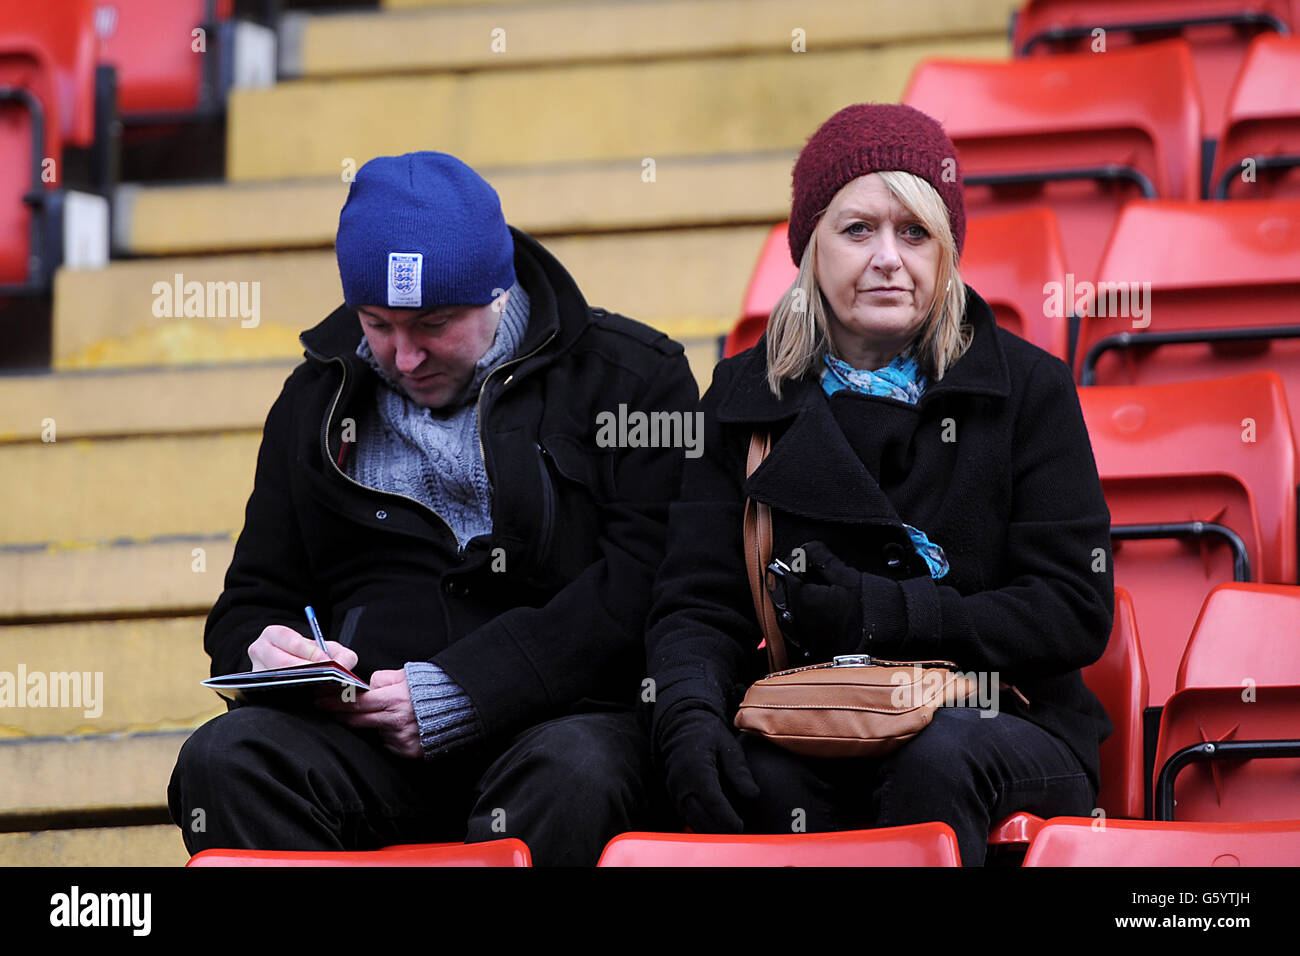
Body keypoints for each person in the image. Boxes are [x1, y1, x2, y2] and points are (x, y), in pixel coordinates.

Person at [167, 151, 698, 866]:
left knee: (575, 772)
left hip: (564, 727)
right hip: (369, 751)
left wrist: (465, 691)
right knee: (226, 759)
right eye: (378, 324)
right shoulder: (312, 403)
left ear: (499, 293)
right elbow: (250, 602)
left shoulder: (633, 378)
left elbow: (649, 584)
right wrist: (267, 651)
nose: (405, 356)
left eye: (434, 325)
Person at [644, 103, 1115, 866]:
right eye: (858, 229)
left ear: (946, 250)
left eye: (915, 231)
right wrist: (689, 718)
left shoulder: (1030, 390)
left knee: (934, 759)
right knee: (744, 777)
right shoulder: (742, 397)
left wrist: (883, 613)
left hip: (1007, 717)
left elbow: (1072, 609)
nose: (889, 257)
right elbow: (696, 604)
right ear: (811, 248)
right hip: (816, 720)